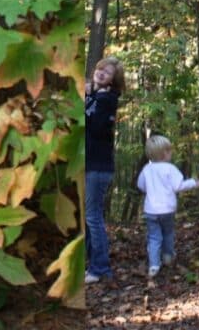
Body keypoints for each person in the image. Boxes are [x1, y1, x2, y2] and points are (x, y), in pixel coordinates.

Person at [135, 135, 199, 280]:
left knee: (154, 236)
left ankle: (154, 265)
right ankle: (167, 256)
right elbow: (178, 186)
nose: (171, 153)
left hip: (151, 210)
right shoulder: (170, 169)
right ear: (164, 153)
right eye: (169, 151)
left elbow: (140, 185)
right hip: (167, 209)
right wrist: (194, 183)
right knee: (168, 233)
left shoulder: (147, 169)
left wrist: (151, 189)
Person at [84, 56, 124, 285]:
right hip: (88, 164)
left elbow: (98, 129)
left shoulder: (108, 100)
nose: (100, 73)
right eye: (100, 69)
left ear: (112, 81)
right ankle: (93, 265)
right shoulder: (93, 96)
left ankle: (100, 268)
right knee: (88, 218)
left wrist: (92, 98)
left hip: (98, 167)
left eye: (107, 72)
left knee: (93, 217)